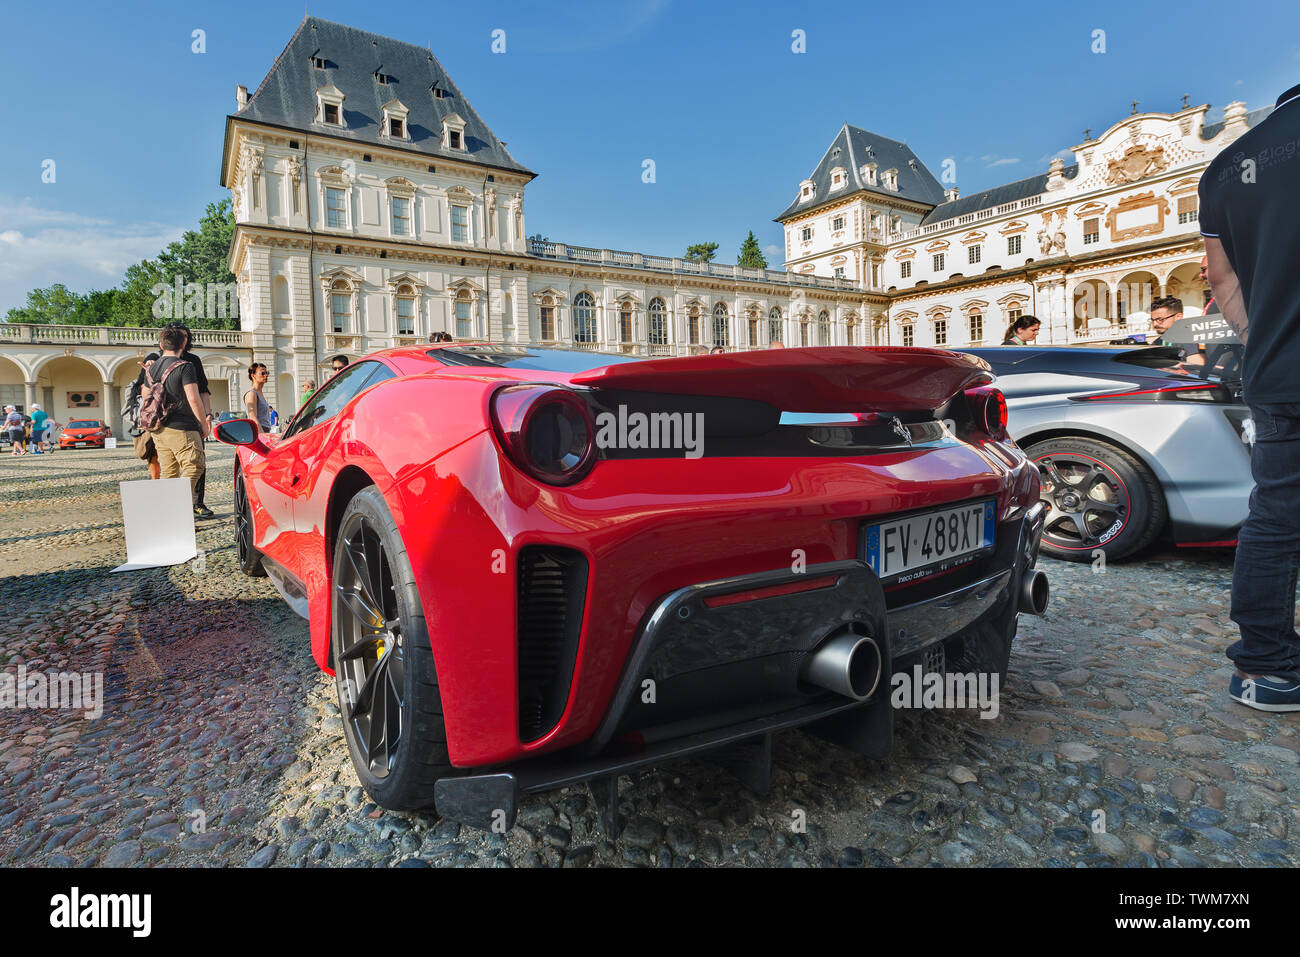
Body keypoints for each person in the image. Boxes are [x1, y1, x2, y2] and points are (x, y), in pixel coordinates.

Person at [1199, 80, 1300, 712]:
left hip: (1277, 365)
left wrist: (1262, 339)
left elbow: (1220, 276)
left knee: (1275, 515)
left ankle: (1265, 667)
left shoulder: (1225, 166)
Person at [133, 323, 213, 512]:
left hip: (159, 427)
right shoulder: (186, 366)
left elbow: (145, 394)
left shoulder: (151, 367)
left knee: (168, 472)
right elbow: (194, 398)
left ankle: (168, 514)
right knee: (195, 465)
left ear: (161, 345)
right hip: (182, 426)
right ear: (183, 344)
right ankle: (178, 508)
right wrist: (204, 422)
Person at [243, 362, 274, 433]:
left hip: (265, 430)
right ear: (253, 376)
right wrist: (262, 436)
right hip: (258, 431)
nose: (266, 375)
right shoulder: (251, 394)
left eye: (267, 373)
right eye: (262, 373)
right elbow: (253, 417)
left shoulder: (260, 393)